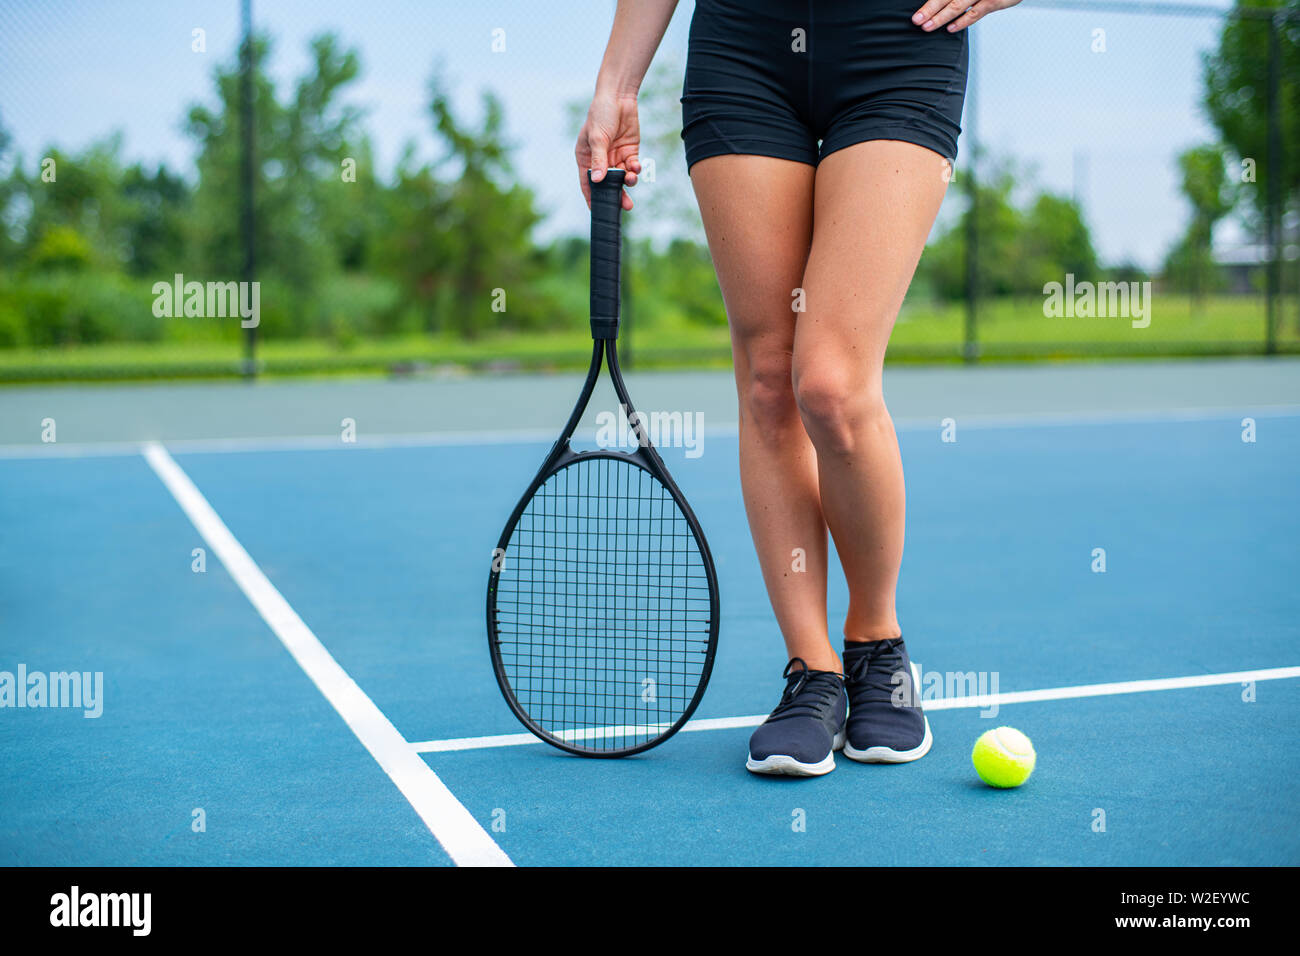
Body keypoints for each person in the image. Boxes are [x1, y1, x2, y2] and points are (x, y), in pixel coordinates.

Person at [575, 0, 1021, 776]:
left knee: (832, 385)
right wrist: (616, 84)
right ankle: (811, 673)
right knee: (770, 381)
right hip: (741, 50)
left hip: (901, 43)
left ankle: (876, 647)